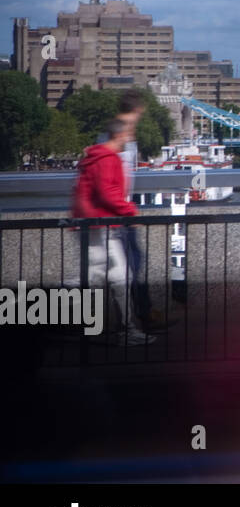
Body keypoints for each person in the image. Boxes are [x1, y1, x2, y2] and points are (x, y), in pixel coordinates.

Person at [67, 118, 155, 345]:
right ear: (119, 136)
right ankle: (46, 313)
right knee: (101, 277)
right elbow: (107, 192)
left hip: (93, 223)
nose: (131, 138)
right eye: (129, 134)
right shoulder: (108, 159)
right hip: (99, 224)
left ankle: (123, 330)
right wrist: (130, 211)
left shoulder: (96, 156)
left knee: (111, 276)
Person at [99, 89, 161, 330]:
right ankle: (139, 320)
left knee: (129, 265)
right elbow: (109, 179)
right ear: (134, 111)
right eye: (139, 114)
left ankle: (143, 316)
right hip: (116, 214)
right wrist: (124, 209)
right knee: (121, 269)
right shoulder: (116, 136)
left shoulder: (126, 136)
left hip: (121, 211)